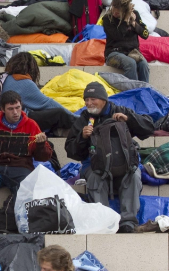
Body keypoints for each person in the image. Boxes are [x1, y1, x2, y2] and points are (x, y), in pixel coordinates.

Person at [65, 82, 154, 233]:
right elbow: (71, 151)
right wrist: (82, 137)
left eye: (93, 99)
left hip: (124, 163)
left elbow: (148, 128)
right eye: (86, 99)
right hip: (95, 165)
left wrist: (129, 119)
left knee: (133, 175)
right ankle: (105, 223)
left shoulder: (119, 110)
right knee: (95, 178)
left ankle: (128, 222)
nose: (89, 103)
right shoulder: (84, 119)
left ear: (103, 99)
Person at [0, 90, 52, 234]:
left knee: (27, 183)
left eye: (18, 108)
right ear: (2, 109)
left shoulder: (31, 124)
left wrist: (40, 144)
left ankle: (18, 225)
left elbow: (44, 157)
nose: (15, 112)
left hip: (21, 169)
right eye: (11, 109)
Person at [1, 52, 75, 131]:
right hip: (20, 121)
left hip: (4, 118)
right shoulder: (23, 82)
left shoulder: (4, 78)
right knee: (60, 113)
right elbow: (47, 103)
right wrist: (75, 117)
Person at [102, 0, 151, 82]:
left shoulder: (135, 14)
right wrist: (125, 20)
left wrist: (133, 23)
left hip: (132, 52)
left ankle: (144, 91)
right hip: (113, 53)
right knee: (131, 63)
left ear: (125, 10)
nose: (115, 12)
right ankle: (131, 92)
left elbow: (145, 34)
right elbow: (117, 36)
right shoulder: (107, 19)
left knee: (143, 65)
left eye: (118, 10)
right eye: (114, 8)